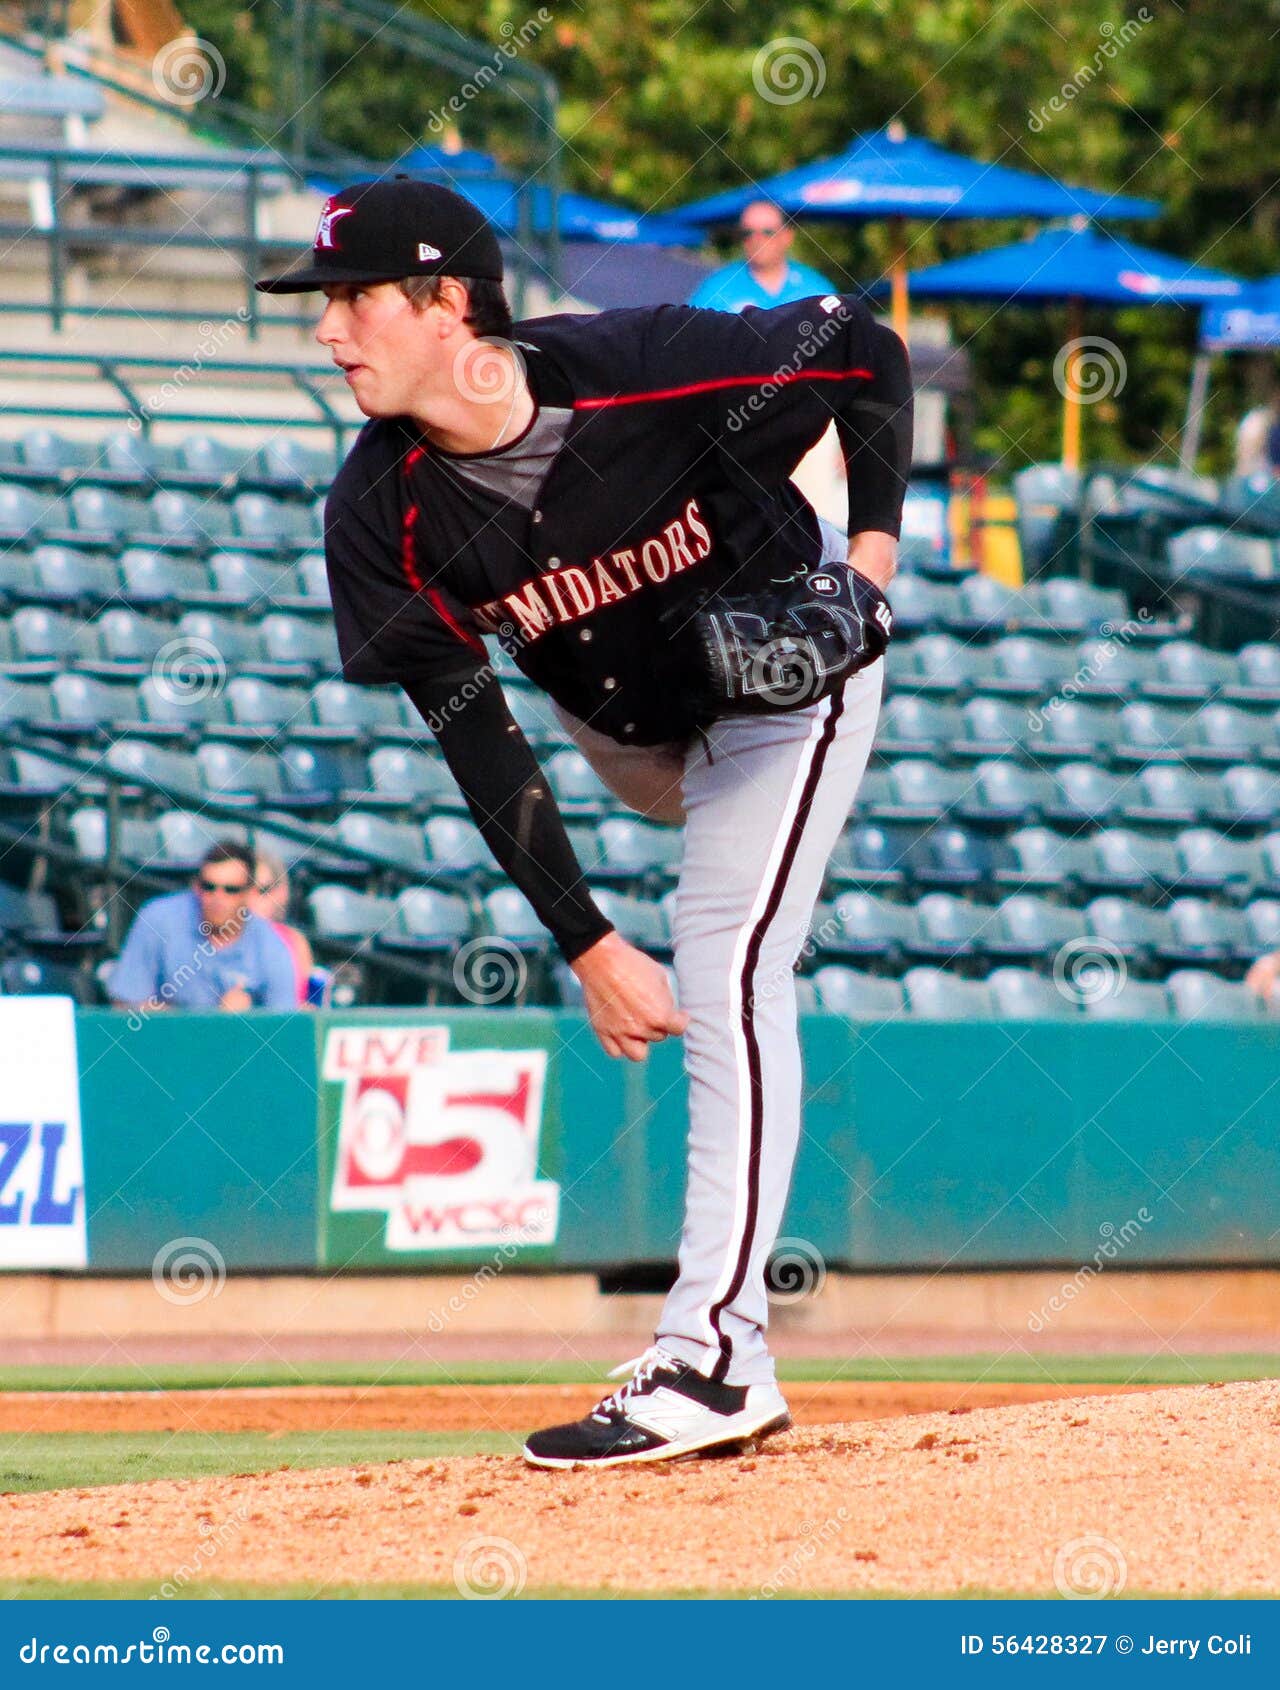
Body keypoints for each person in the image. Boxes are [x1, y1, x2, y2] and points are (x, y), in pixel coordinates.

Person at [257, 178, 912, 1469]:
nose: (329, 330)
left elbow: (865, 348)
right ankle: (717, 1349)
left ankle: (719, 1354)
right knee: (692, 937)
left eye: (351, 298)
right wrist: (588, 940)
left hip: (790, 680)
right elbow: (473, 728)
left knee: (729, 965)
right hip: (622, 729)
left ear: (449, 303)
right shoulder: (377, 514)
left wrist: (871, 569)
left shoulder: (644, 366)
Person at [110, 841, 298, 1015]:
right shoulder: (158, 919)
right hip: (165, 1045)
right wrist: (208, 1020)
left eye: (231, 890)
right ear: (196, 887)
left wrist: (250, 1019)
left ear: (249, 893)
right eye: (209, 887)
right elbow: (124, 1005)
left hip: (240, 1048)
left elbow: (283, 1024)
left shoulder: (269, 943)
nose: (218, 898)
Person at [687, 198, 835, 314]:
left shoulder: (815, 287)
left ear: (787, 236)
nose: (757, 240)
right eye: (748, 233)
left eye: (767, 232)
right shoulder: (716, 288)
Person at [249, 850, 314, 1007]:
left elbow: (305, 1005)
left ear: (280, 893)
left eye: (262, 890)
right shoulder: (212, 941)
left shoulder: (294, 940)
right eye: (243, 890)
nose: (250, 901)